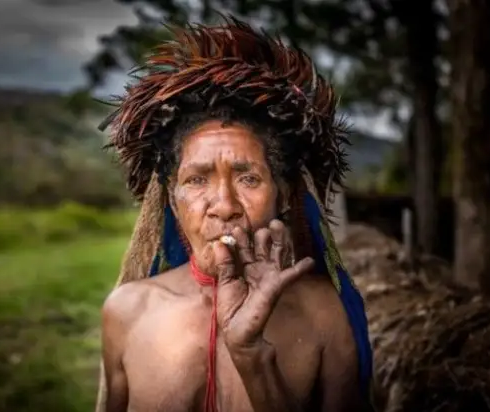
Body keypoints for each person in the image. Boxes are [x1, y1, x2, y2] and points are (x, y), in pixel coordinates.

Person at [95, 16, 374, 412]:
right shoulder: (126, 311)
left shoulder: (325, 316)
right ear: (172, 202)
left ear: (284, 197)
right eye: (197, 180)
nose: (224, 206)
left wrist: (251, 354)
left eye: (248, 178)